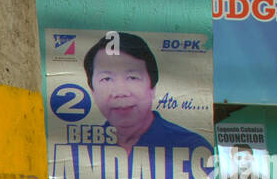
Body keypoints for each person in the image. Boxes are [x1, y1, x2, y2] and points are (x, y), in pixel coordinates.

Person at [82, 32, 212, 155]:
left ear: (152, 87)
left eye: (132, 77)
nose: (120, 92)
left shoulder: (193, 148)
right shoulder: (81, 151)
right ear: (92, 90)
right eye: (107, 79)